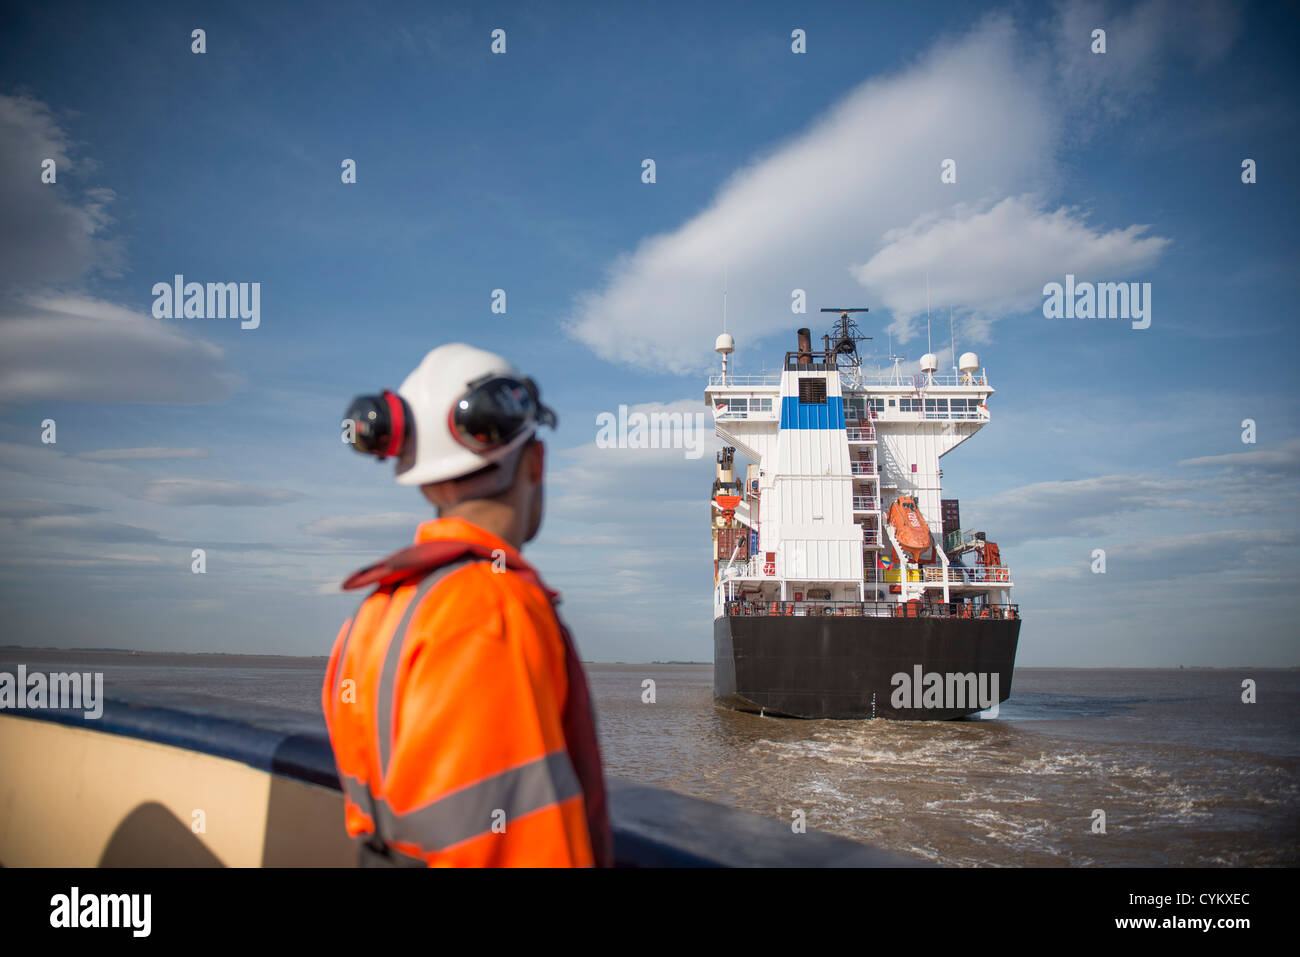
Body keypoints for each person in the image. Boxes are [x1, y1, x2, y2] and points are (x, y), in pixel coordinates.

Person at [321, 343, 612, 867]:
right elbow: (519, 847)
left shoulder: (378, 610)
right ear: (536, 462)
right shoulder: (489, 607)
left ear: (423, 479)